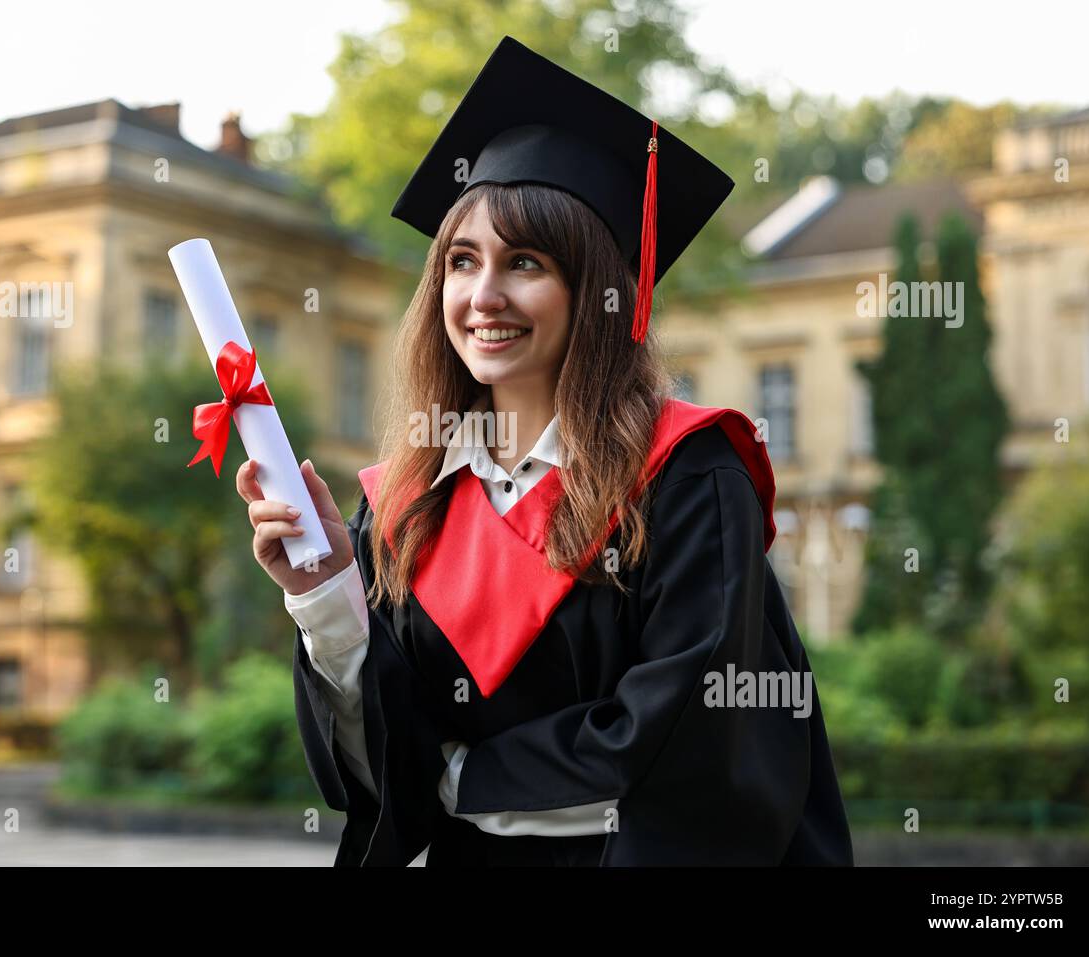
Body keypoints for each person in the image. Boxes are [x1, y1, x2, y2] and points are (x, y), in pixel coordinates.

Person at [238, 35, 854, 866]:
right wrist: (326, 594)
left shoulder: (688, 478)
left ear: (596, 291)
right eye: (462, 262)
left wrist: (460, 777)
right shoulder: (405, 505)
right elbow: (379, 775)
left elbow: (695, 755)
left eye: (524, 262)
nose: (483, 295)